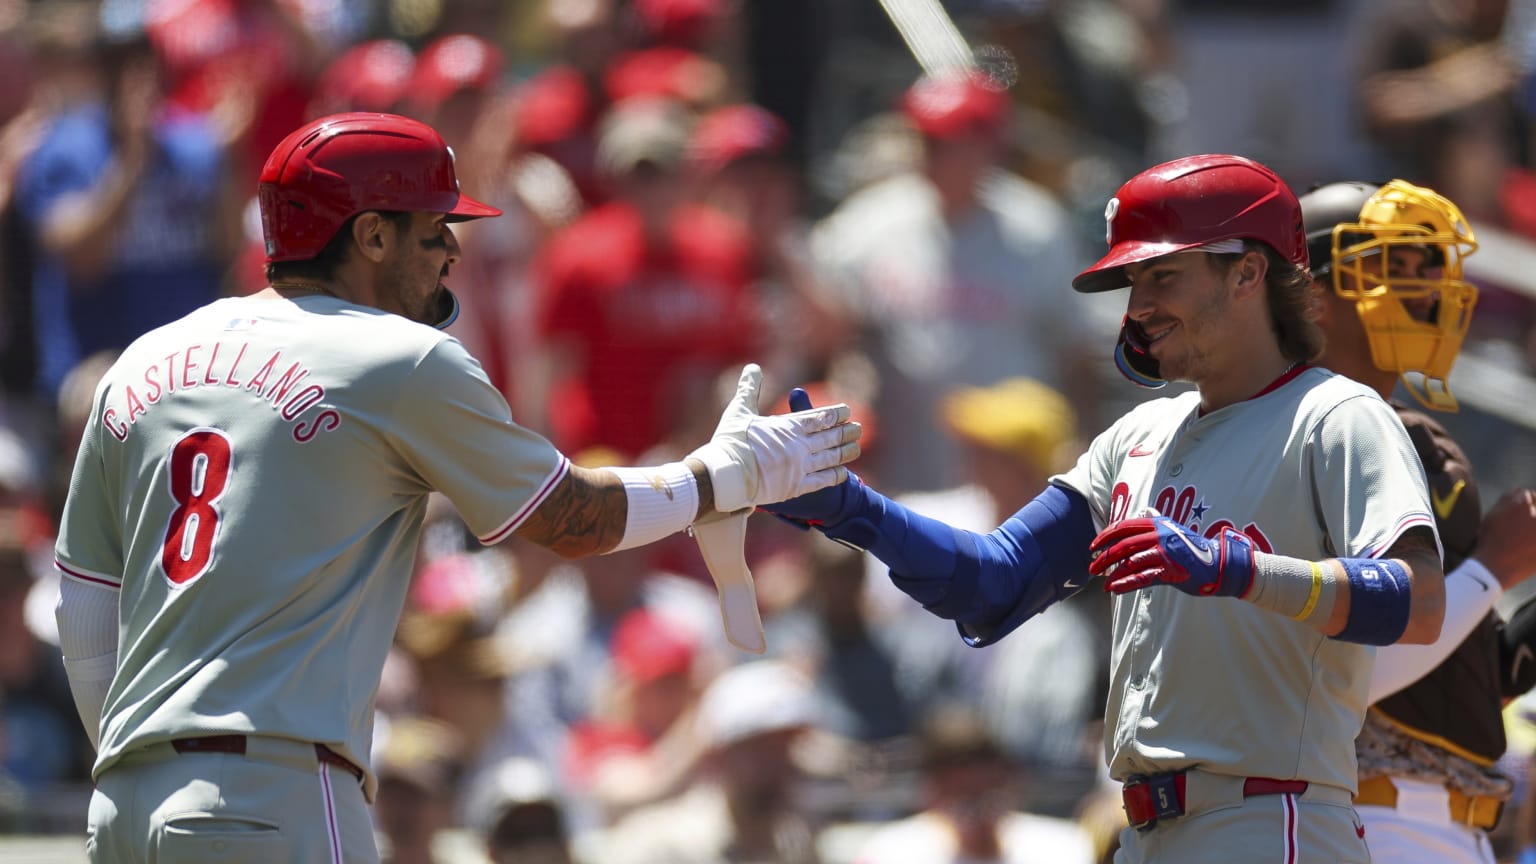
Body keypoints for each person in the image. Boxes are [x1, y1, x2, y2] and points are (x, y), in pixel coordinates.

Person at [50, 111, 861, 863]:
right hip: (270, 791)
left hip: (122, 798)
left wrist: (136, 757)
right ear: (371, 235)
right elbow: (571, 520)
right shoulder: (397, 358)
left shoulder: (144, 361)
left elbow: (84, 604)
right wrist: (717, 480)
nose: (451, 252)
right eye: (434, 227)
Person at [766, 153, 1448, 863]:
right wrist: (851, 510)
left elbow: (1421, 602)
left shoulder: (1335, 414)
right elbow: (992, 582)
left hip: (1271, 816)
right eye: (1134, 282)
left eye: (1163, 276)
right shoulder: (1137, 435)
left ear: (1247, 272)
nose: (1138, 307)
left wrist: (1237, 570)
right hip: (1145, 831)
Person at [1300, 178, 1536, 864]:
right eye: (1389, 267)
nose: (1421, 291)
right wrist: (1494, 568)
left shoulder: (1415, 439)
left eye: (1421, 270)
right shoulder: (1295, 435)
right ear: (1310, 295)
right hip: (1360, 816)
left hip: (1448, 826)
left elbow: (1453, 684)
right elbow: (1342, 678)